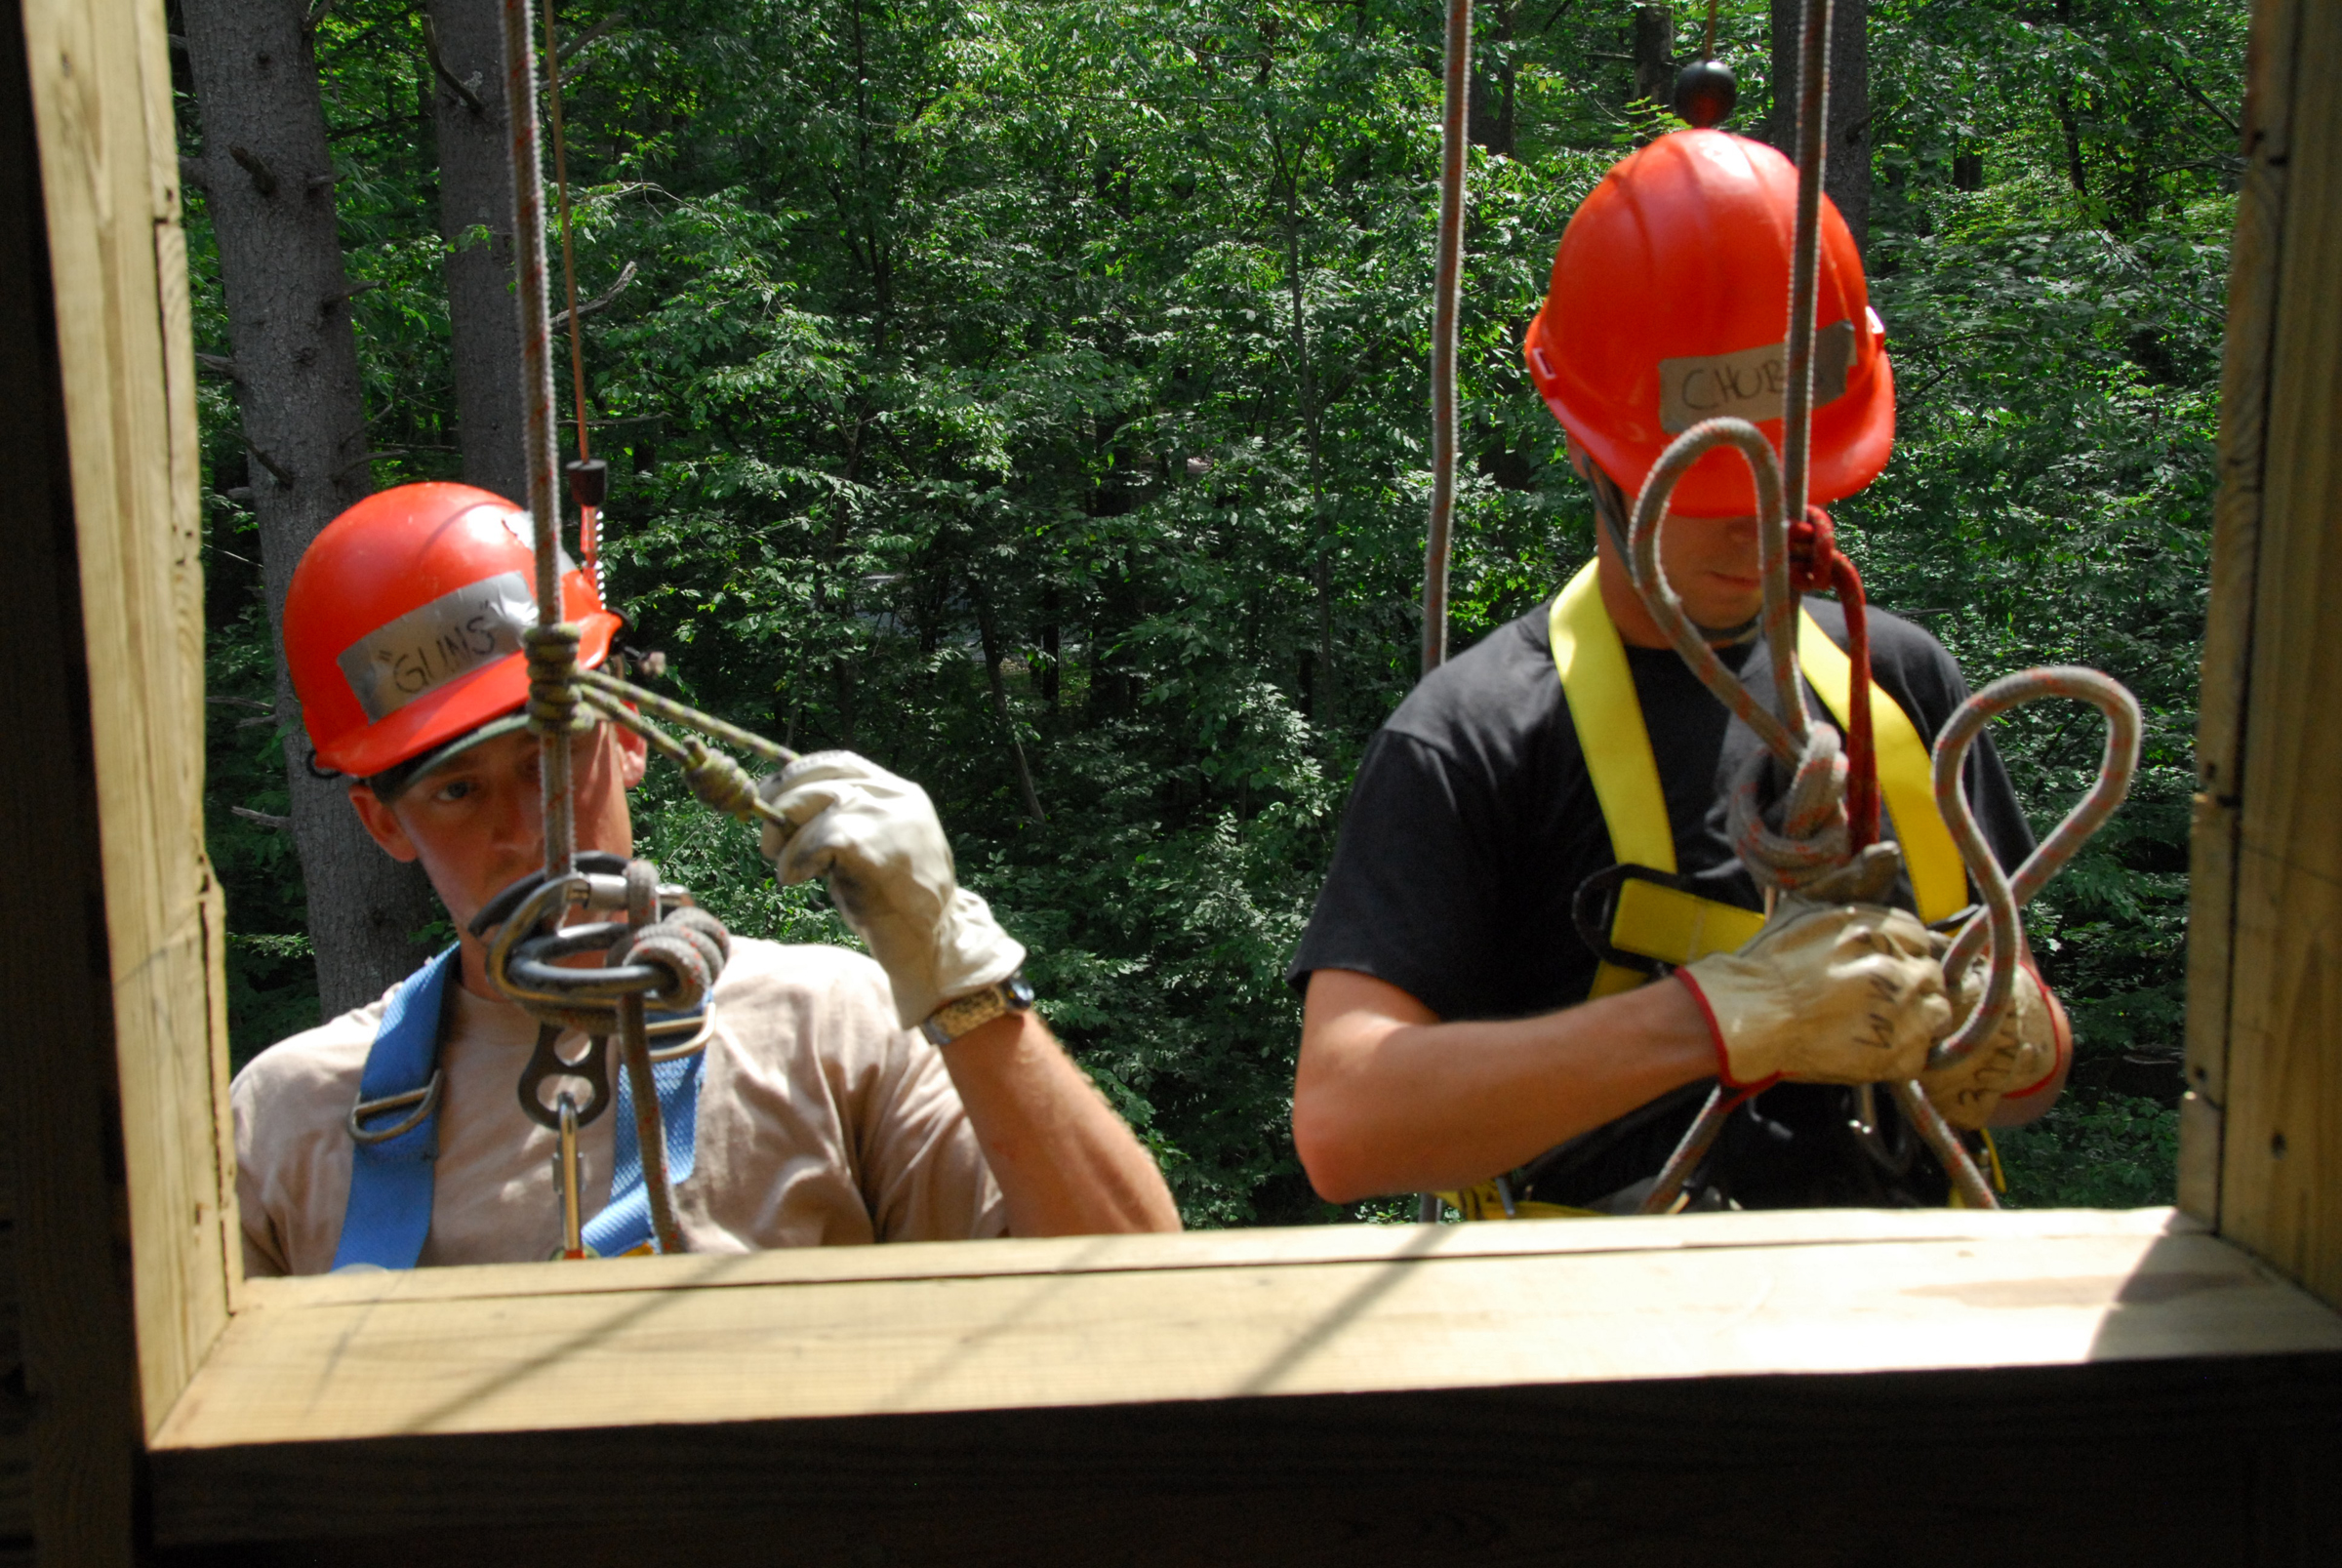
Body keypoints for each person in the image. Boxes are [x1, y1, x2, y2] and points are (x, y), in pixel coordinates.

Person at [1288, 129, 2072, 1217]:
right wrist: (1718, 1016)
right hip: (1620, 1312)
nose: (1760, 528)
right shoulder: (1480, 736)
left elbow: (2033, 1070)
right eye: (1710, 491)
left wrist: (2013, 1035)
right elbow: (1346, 1124)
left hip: (1906, 1292)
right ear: (1584, 449)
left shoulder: (1895, 683)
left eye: (1791, 478)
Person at [233, 482, 1179, 1275]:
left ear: (631, 736)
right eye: (457, 790)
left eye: (551, 757)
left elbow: (1138, 1288)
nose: (528, 831)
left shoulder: (830, 1033)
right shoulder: (293, 1117)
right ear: (382, 822)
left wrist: (959, 973)